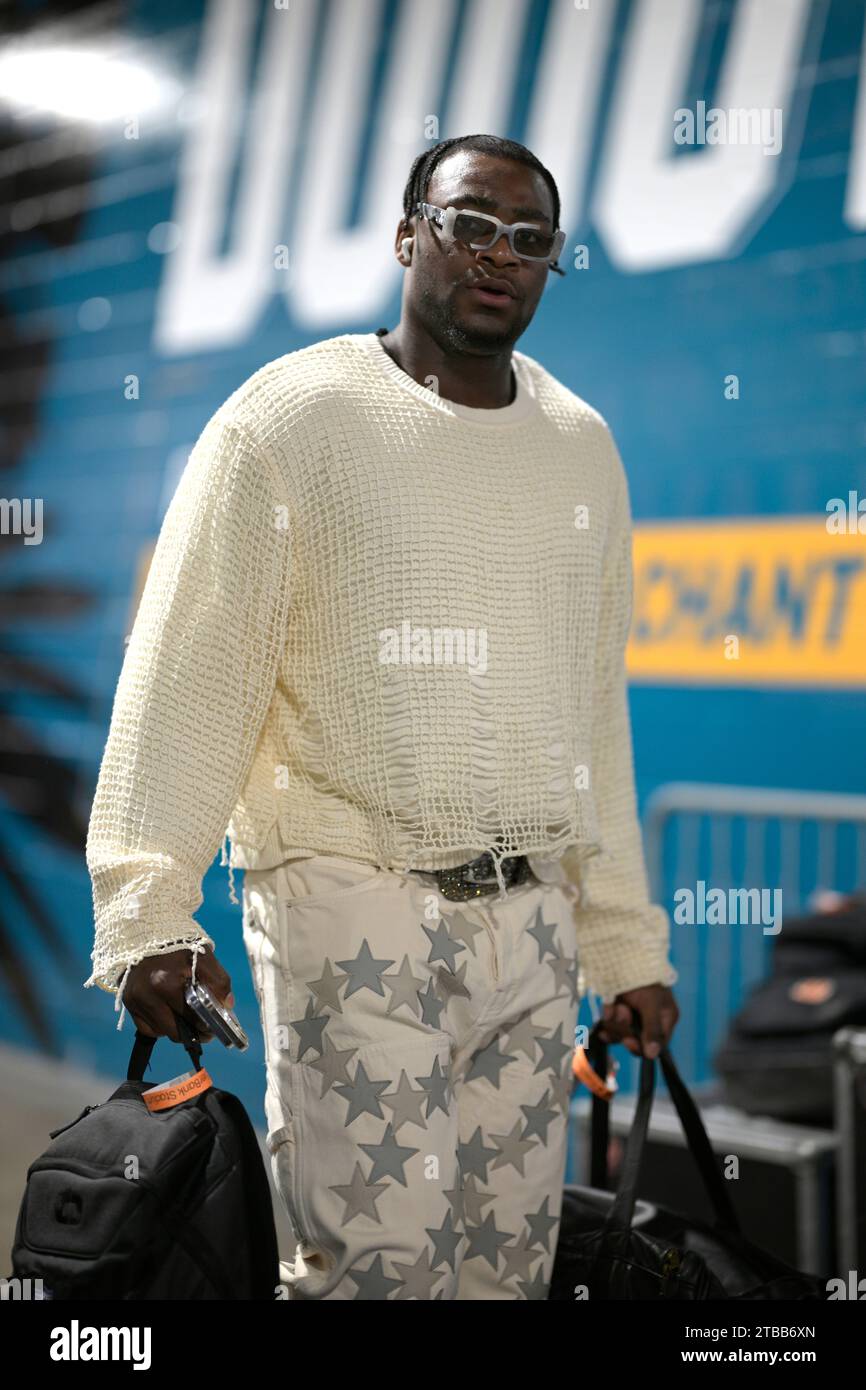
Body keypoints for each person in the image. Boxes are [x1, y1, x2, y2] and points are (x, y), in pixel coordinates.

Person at [84, 133, 680, 1299]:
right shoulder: (291, 423)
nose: (497, 256)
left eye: (529, 239)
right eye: (469, 224)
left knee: (509, 1268)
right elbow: (190, 673)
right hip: (348, 899)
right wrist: (148, 903)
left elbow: (587, 711)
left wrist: (620, 940)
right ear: (408, 233)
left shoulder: (579, 448)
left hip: (534, 918)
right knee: (374, 1270)